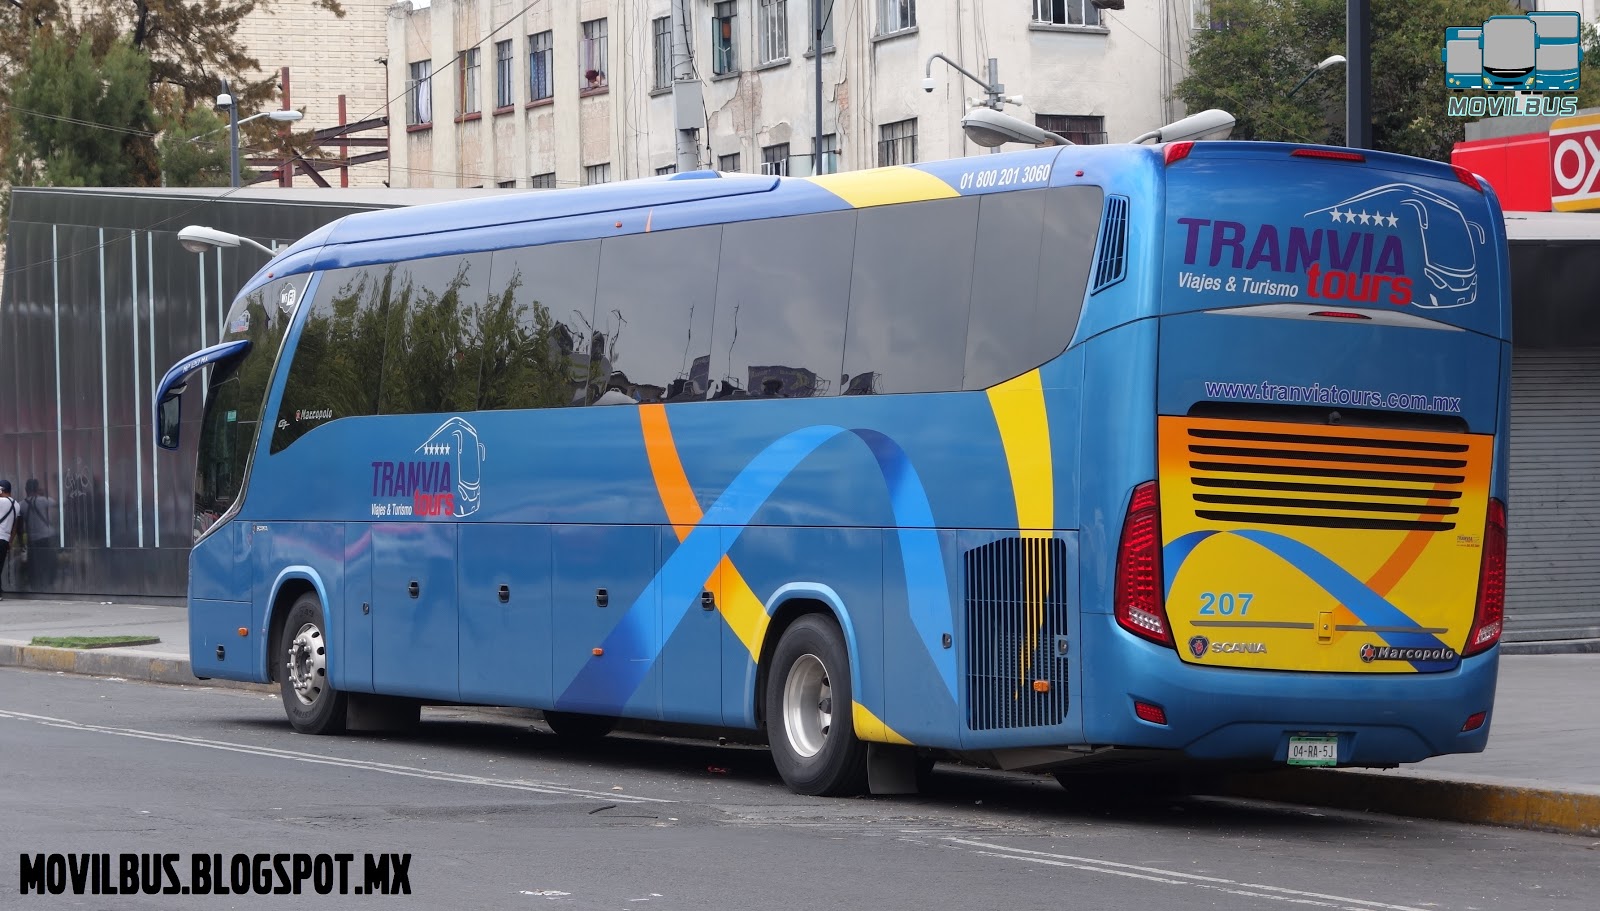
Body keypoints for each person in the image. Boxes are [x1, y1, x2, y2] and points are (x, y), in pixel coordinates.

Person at [22, 479, 57, 587]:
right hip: (46, 536)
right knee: (49, 561)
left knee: (33, 563)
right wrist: (43, 493)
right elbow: (54, 502)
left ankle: (35, 584)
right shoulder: (43, 500)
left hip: (32, 539)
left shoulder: (21, 504)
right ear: (37, 489)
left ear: (26, 489)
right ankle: (49, 582)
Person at [0, 480, 15, 600]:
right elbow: (15, 526)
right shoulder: (17, 505)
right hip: (5, 539)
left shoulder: (1, 501)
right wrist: (10, 541)